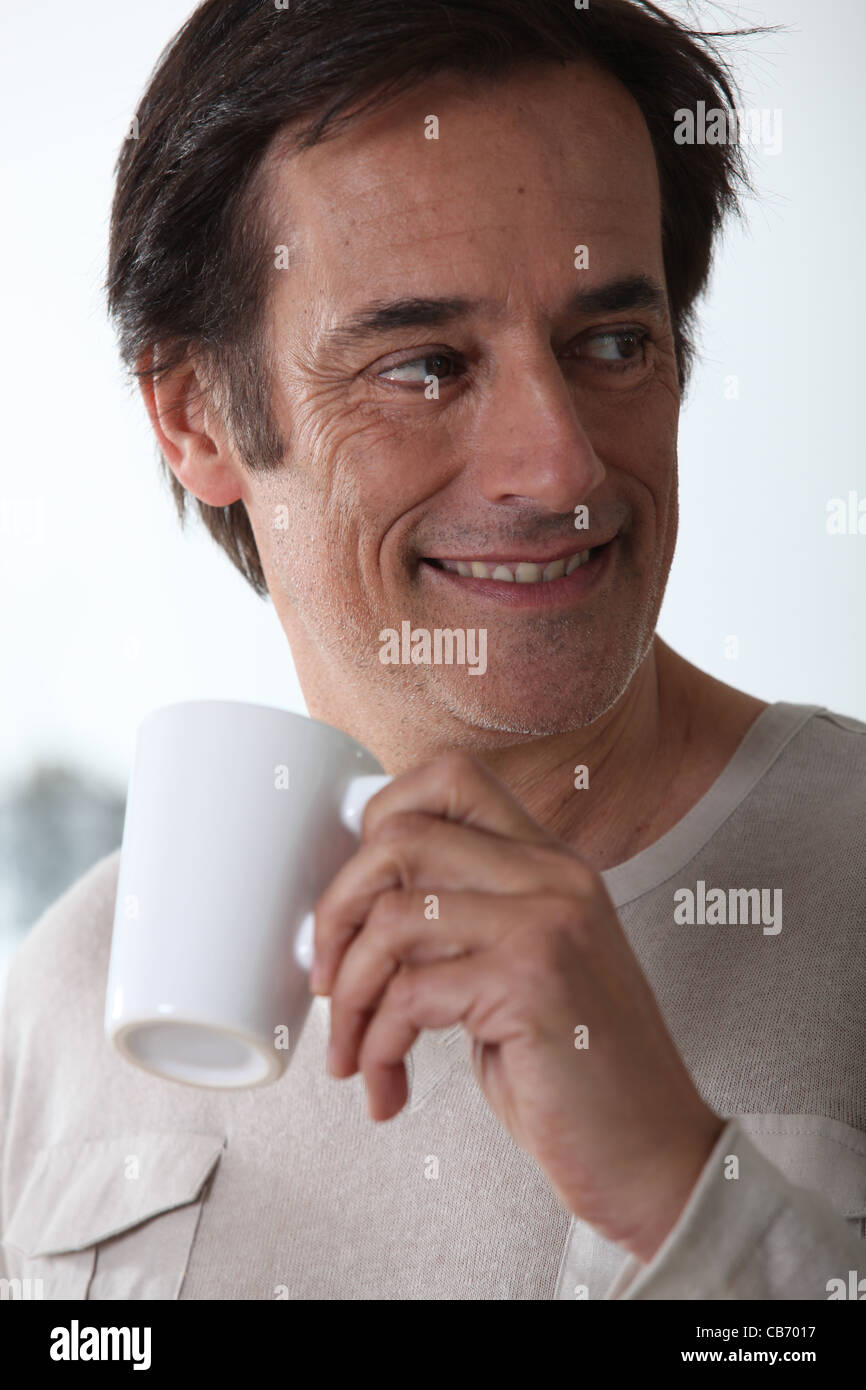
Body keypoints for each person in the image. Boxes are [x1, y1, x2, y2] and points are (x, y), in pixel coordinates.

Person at [2, 0, 864, 1301]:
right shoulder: (66, 994)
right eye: (422, 365)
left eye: (613, 343)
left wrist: (690, 1199)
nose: (558, 462)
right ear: (192, 416)